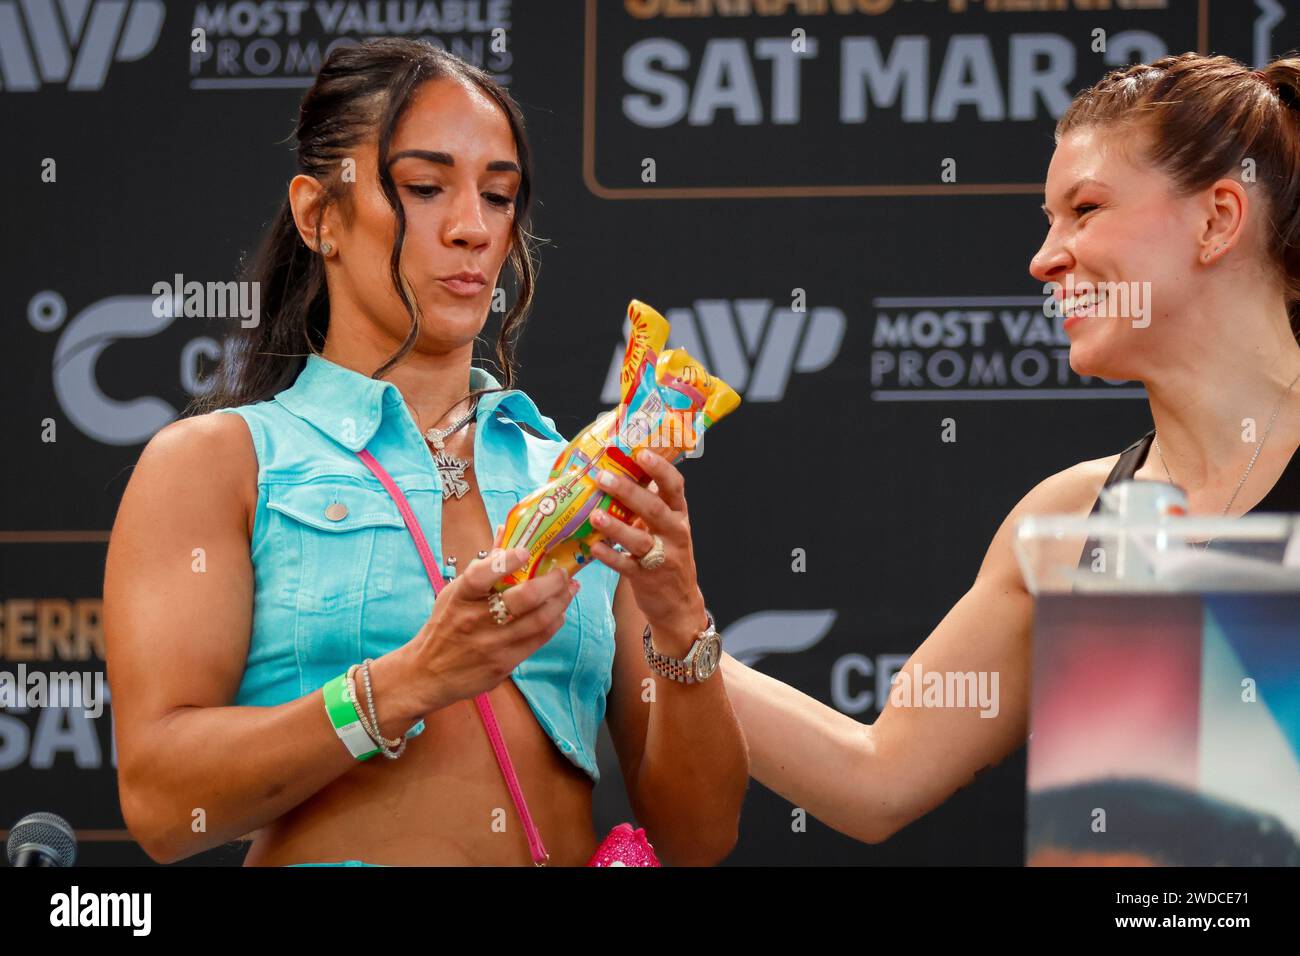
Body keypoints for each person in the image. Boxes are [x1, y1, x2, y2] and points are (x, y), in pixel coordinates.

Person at [103, 38, 747, 867]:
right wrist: (405, 684)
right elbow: (161, 804)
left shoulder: (579, 475)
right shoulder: (217, 463)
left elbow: (698, 841)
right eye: (424, 187)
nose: (473, 229)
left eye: (500, 195)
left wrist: (681, 621)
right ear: (318, 214)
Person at [720, 52, 1300, 846]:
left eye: (1086, 208)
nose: (1043, 258)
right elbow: (875, 776)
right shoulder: (1066, 522)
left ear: (1218, 219)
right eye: (1048, 218)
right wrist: (655, 626)